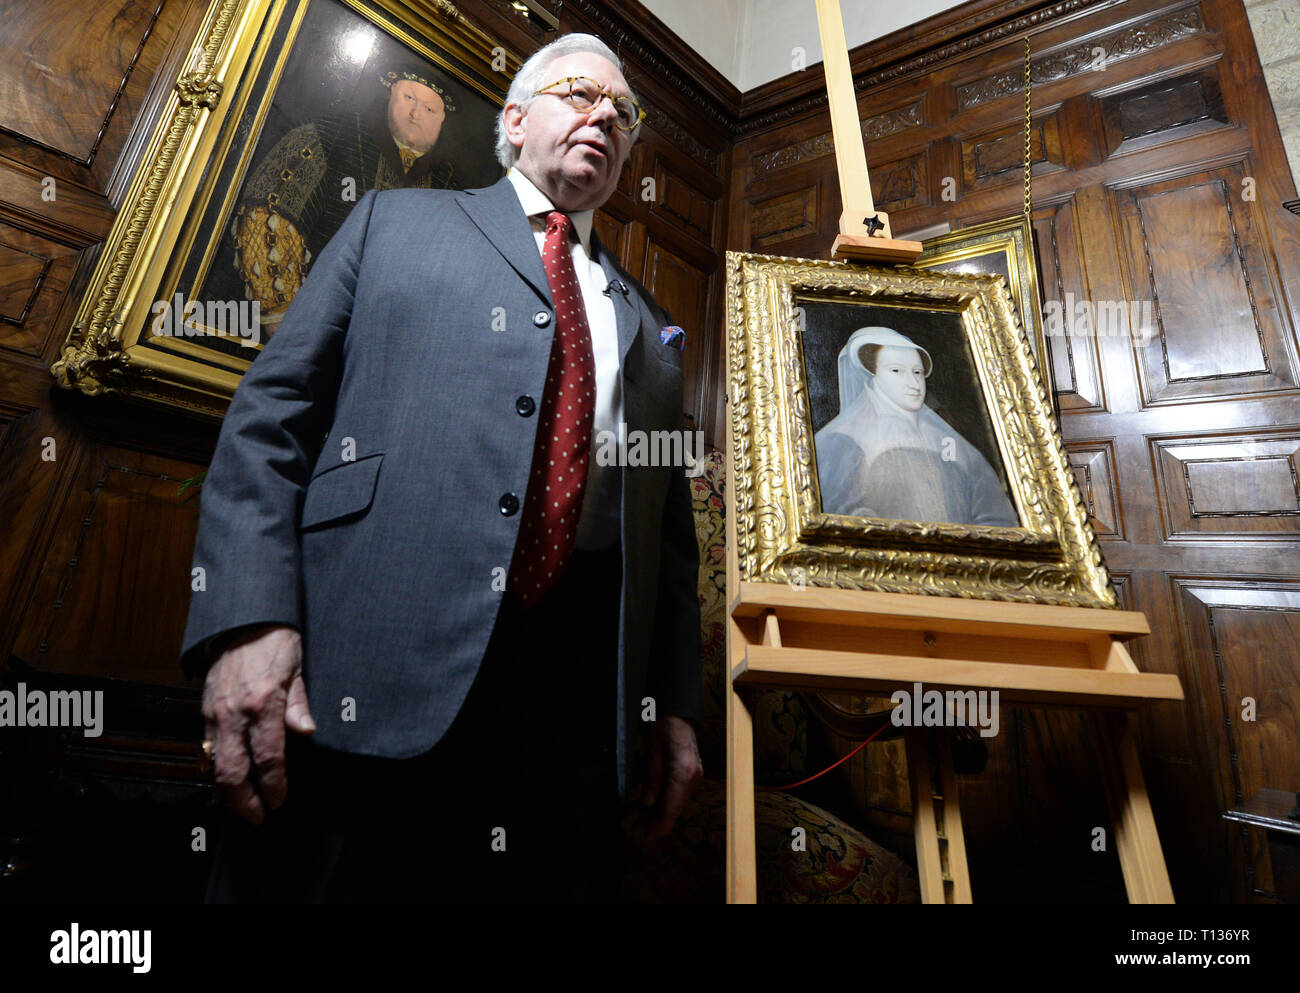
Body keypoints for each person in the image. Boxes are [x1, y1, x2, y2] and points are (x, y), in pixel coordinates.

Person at [181, 33, 702, 903]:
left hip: (568, 718)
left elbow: (672, 548)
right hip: (362, 680)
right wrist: (247, 622)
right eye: (579, 93)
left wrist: (674, 709)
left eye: (623, 112)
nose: (605, 115)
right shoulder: (394, 221)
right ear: (514, 118)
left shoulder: (652, 326)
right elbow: (269, 422)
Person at [230, 67, 461, 336]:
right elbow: (267, 218)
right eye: (409, 98)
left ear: (442, 119)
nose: (415, 113)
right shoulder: (328, 138)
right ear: (391, 94)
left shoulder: (450, 185)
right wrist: (293, 328)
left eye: (430, 109)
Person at [814, 326, 1019, 527]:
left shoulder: (947, 440)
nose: (914, 383)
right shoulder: (841, 440)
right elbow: (844, 520)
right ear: (872, 374)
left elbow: (993, 514)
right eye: (896, 371)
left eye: (917, 372)